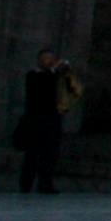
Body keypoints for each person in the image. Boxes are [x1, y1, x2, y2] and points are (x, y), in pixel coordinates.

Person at [13, 48, 78, 196]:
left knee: (50, 154)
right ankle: (26, 184)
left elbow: (73, 89)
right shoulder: (33, 75)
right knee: (32, 154)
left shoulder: (57, 76)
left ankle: (45, 184)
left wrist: (67, 72)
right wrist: (54, 70)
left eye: (50, 59)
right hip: (35, 120)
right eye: (45, 58)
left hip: (52, 119)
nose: (48, 62)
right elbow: (42, 86)